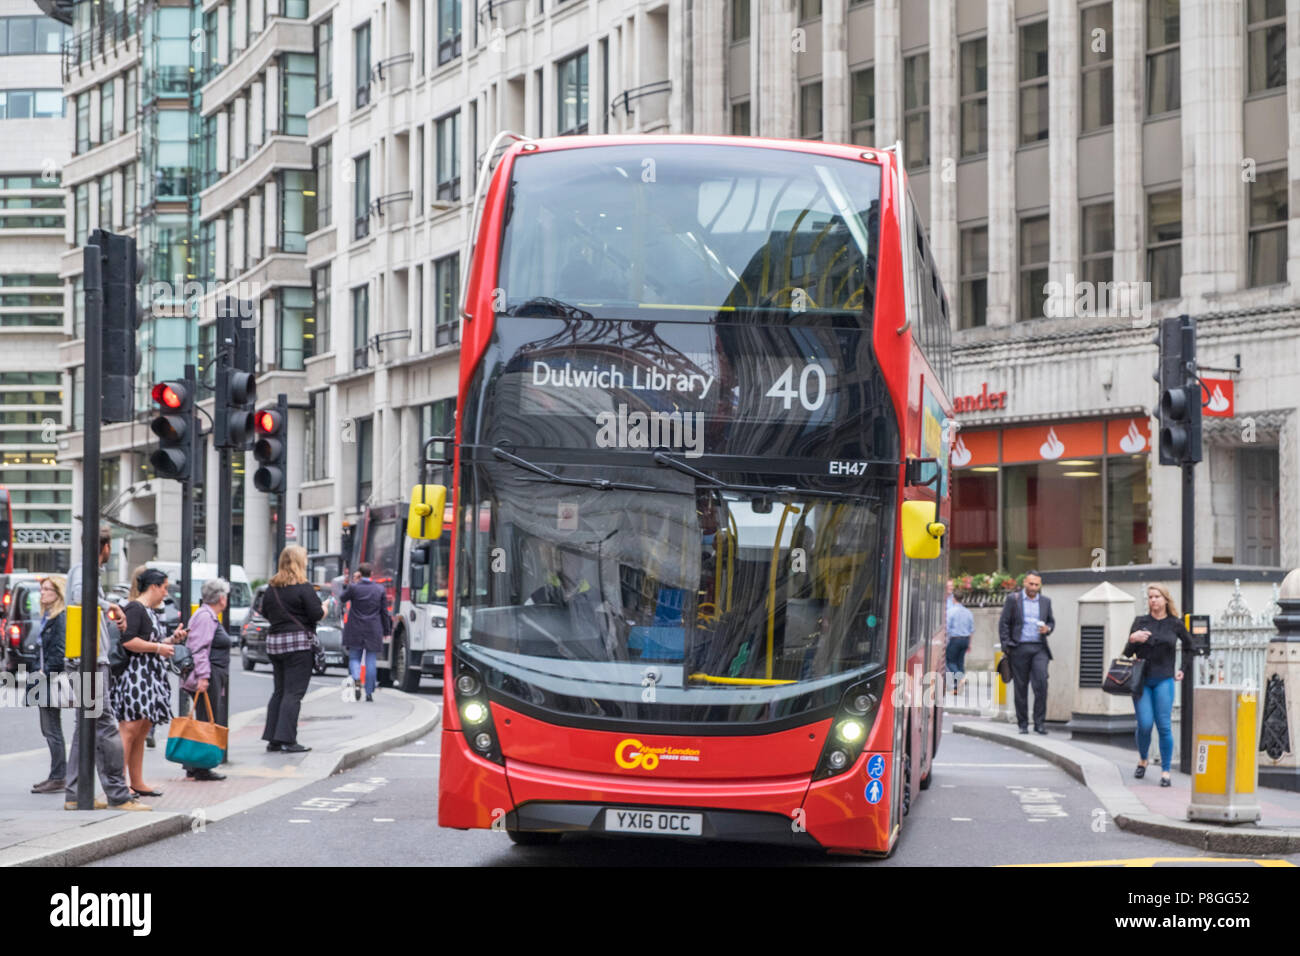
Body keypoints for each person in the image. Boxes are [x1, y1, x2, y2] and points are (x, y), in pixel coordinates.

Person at [64, 528, 150, 811]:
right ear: (104, 547)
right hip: (88, 661)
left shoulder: (85, 571)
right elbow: (79, 597)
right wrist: (109, 604)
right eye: (109, 545)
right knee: (104, 725)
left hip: (83, 660)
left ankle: (76, 793)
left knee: (84, 727)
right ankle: (118, 793)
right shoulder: (84, 571)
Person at [113, 567, 182, 798]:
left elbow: (149, 641)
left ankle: (137, 781)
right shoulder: (135, 608)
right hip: (135, 676)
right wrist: (159, 647)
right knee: (130, 728)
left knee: (141, 729)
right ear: (153, 586)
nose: (165, 593)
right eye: (164, 588)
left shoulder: (149, 611)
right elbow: (128, 641)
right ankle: (121, 784)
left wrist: (170, 641)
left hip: (147, 675)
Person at [1123, 584, 1193, 787]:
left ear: (1165, 600)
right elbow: (1127, 653)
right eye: (1150, 597)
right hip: (1142, 680)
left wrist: (1183, 669)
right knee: (1144, 724)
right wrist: (1132, 639)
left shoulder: (1175, 624)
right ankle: (1143, 759)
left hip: (1164, 679)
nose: (1153, 600)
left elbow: (1190, 646)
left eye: (1157, 596)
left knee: (1164, 726)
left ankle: (1165, 771)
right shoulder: (1140, 621)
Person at [262, 545, 323, 752]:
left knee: (279, 690)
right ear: (299, 562)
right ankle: (288, 739)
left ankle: (273, 738)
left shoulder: (272, 588)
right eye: (304, 558)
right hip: (298, 645)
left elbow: (264, 612)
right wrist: (324, 609)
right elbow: (315, 614)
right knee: (293, 693)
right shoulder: (304, 587)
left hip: (275, 644)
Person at [179, 578, 233, 781]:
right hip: (208, 675)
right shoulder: (205, 617)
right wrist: (203, 676)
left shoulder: (208, 615)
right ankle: (200, 767)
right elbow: (199, 648)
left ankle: (195, 765)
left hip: (212, 674)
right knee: (205, 721)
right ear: (221, 598)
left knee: (203, 719)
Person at [998, 570, 1055, 735]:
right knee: (1020, 687)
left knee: (1042, 684)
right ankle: (1023, 723)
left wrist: (1048, 628)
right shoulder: (1013, 600)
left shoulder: (1045, 601)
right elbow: (1004, 624)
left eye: (1037, 584)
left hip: (1039, 648)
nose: (1033, 587)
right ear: (1024, 583)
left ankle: (1039, 723)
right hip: (1019, 647)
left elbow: (1051, 621)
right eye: (1031, 584)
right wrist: (1007, 646)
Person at [30, 576, 67, 794]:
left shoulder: (59, 618)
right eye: (41, 589)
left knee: (52, 729)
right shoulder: (48, 616)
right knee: (49, 728)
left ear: (58, 593)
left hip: (51, 680)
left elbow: (59, 652)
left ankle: (58, 776)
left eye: (47, 589)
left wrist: (44, 673)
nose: (42, 593)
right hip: (44, 678)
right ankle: (56, 775)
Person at [340, 562, 390, 702]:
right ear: (372, 574)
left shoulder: (354, 588)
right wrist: (386, 630)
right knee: (371, 661)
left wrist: (350, 583)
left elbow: (342, 598)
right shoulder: (379, 589)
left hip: (355, 628)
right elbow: (384, 612)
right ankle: (369, 692)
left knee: (354, 657)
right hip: (373, 629)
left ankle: (356, 679)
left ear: (359, 574)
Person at [945, 580, 974, 697]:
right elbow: (972, 629)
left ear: (954, 599)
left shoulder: (950, 611)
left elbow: (947, 628)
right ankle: (958, 689)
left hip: (955, 639)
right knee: (960, 663)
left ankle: (961, 678)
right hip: (966, 639)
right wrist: (970, 644)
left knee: (950, 661)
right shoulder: (968, 612)